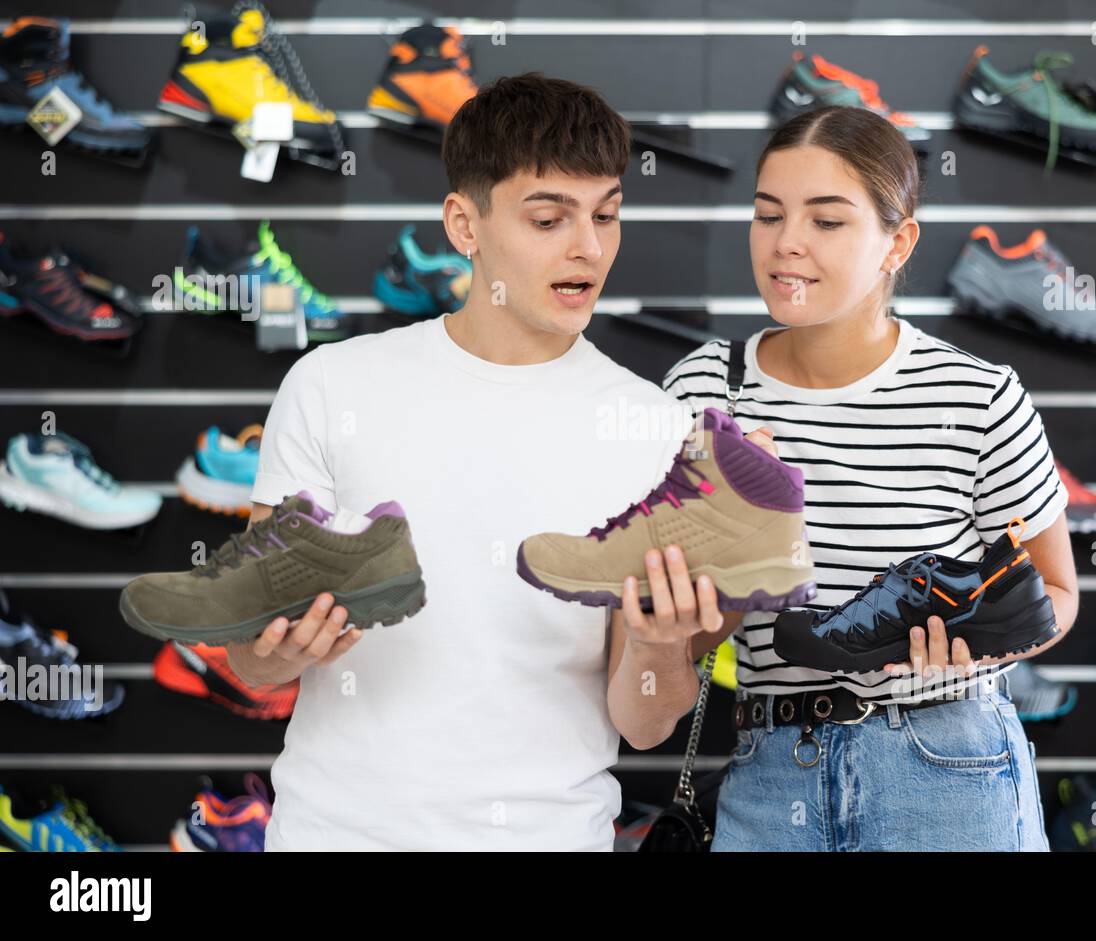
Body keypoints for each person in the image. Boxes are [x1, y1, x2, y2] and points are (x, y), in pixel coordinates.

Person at [226, 74, 726, 850]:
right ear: (465, 224)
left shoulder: (654, 430)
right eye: (548, 218)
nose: (588, 248)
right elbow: (250, 656)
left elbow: (644, 721)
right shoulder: (330, 385)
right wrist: (272, 648)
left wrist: (663, 644)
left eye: (606, 215)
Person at [663, 105, 1080, 851]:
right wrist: (738, 544)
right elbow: (693, 637)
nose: (786, 244)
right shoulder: (704, 391)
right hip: (771, 771)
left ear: (898, 242)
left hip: (949, 765)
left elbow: (1057, 593)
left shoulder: (977, 395)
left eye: (827, 221)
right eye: (768, 215)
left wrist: (978, 644)